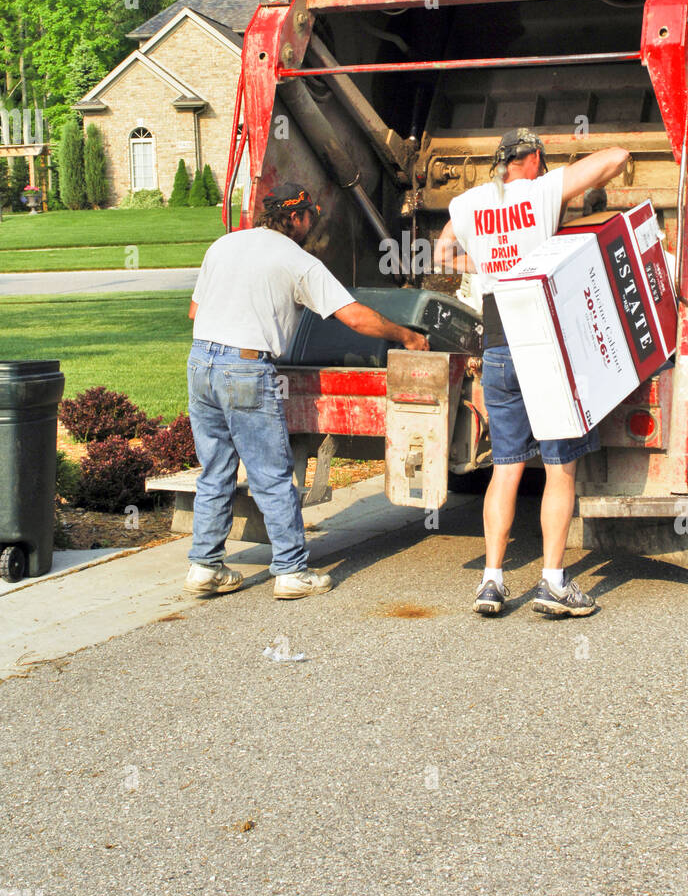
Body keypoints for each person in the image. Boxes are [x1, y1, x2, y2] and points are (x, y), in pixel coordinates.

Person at [184, 182, 429, 601]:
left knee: (215, 468)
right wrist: (404, 335)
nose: (312, 223)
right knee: (271, 473)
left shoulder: (223, 245)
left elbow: (195, 310)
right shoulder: (298, 261)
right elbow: (353, 317)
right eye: (310, 216)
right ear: (295, 218)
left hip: (200, 362)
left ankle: (205, 566)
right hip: (245, 367)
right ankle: (292, 571)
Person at [434, 130, 630, 618]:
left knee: (506, 466)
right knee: (560, 467)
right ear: (534, 159)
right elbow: (618, 157)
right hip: (544, 343)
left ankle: (492, 581)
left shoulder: (467, 202)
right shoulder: (540, 191)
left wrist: (482, 264)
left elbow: (441, 255)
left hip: (498, 341)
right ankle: (552, 583)